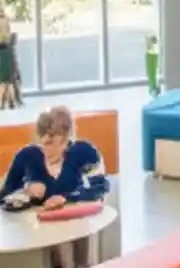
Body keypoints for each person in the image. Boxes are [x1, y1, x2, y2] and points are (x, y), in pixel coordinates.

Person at [2, 107, 110, 265]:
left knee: (79, 255)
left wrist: (66, 198)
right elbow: (4, 196)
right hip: (42, 231)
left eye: (52, 142)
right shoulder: (28, 156)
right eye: (42, 142)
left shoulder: (84, 152)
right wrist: (26, 192)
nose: (46, 149)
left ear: (65, 140)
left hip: (79, 224)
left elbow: (101, 186)